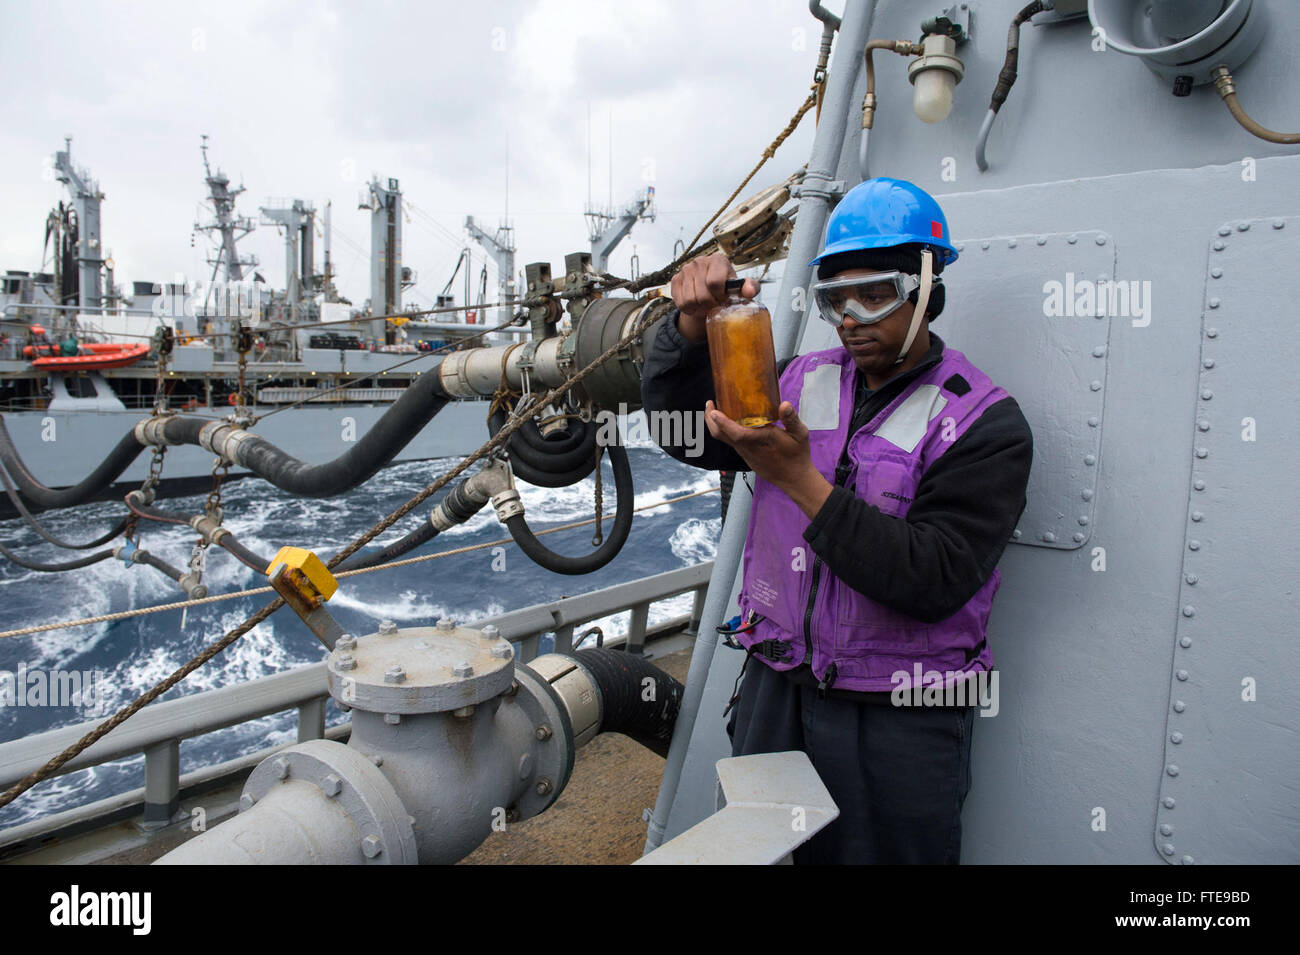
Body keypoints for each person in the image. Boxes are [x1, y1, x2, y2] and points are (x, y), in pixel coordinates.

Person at [640, 177, 1033, 864]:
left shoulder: (985, 423)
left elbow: (932, 577)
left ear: (926, 288)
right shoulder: (791, 379)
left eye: (874, 293)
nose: (850, 317)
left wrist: (798, 477)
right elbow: (685, 432)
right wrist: (686, 331)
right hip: (777, 686)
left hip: (897, 718)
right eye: (833, 299)